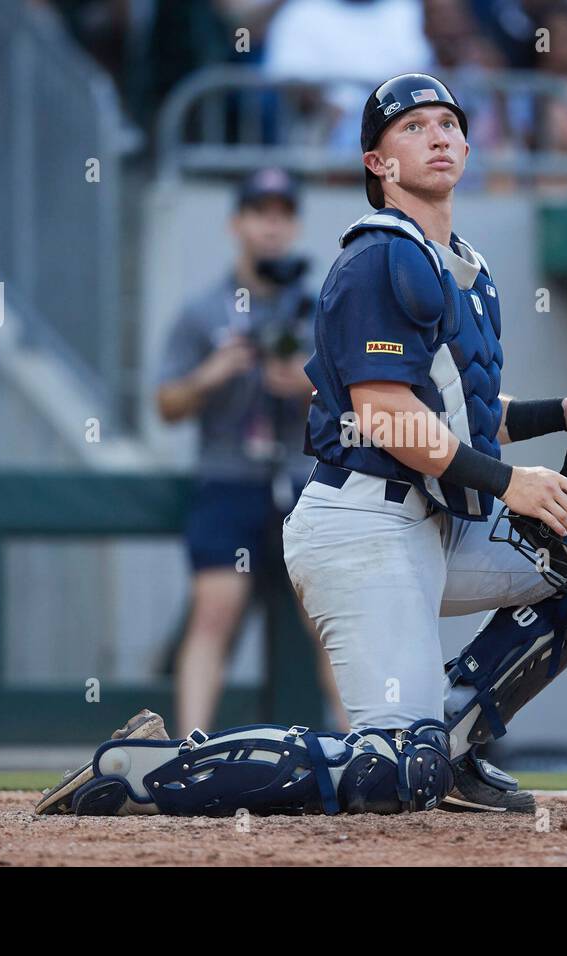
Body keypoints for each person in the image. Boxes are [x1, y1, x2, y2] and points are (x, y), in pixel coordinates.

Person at [38, 73, 567, 819]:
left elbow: (461, 416)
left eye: (449, 122)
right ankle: (146, 771)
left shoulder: (462, 266)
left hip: (438, 524)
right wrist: (511, 484)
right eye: (413, 126)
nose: (439, 134)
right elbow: (385, 417)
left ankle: (456, 748)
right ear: (378, 164)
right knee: (389, 773)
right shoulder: (381, 256)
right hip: (364, 525)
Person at [154, 167, 343, 735]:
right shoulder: (203, 311)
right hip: (228, 476)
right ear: (237, 223)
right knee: (215, 610)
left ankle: (367, 747)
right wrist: (213, 374)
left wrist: (308, 386)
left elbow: (365, 401)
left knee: (330, 618)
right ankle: (190, 747)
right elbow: (166, 405)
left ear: (295, 225)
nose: (271, 227)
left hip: (304, 477)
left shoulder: (321, 308)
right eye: (260, 213)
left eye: (282, 215)